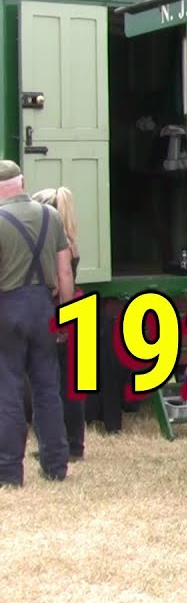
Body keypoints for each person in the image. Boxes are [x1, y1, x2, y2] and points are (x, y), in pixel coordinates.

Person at [0, 160, 75, 487]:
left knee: (9, 391)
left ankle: (9, 472)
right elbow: (65, 273)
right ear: (23, 182)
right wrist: (65, 315)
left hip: (8, 309)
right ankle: (56, 466)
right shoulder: (52, 216)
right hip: (44, 307)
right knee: (48, 390)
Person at [32, 186, 84, 462]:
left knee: (54, 382)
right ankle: (76, 443)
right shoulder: (71, 241)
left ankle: (63, 444)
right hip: (78, 308)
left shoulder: (54, 244)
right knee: (74, 382)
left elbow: (56, 283)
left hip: (59, 312)